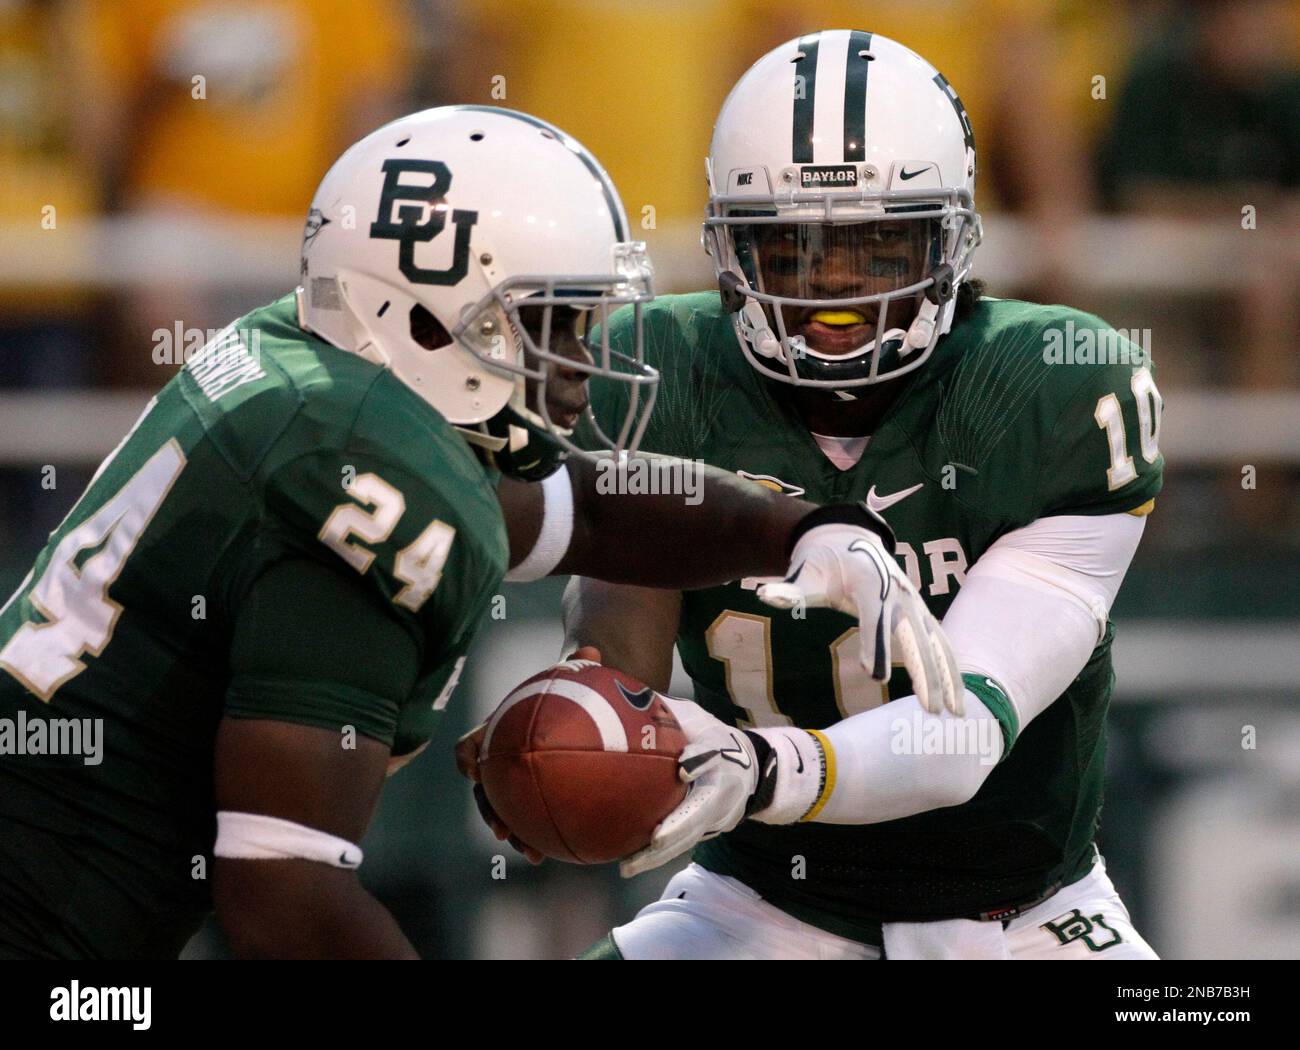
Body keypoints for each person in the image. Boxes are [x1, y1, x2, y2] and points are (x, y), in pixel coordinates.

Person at [0, 105, 957, 960]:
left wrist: (808, 529)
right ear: (417, 320)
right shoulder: (362, 485)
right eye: (551, 324)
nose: (582, 364)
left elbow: (598, 509)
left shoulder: (312, 369)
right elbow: (283, 900)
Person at [549, 32, 1164, 959]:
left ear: (950, 234)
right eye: (792, 247)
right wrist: (582, 724)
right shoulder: (657, 372)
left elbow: (960, 738)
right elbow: (621, 625)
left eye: (878, 242)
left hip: (1028, 918)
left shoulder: (1054, 386)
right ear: (729, 247)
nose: (834, 283)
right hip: (754, 904)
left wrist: (758, 770)